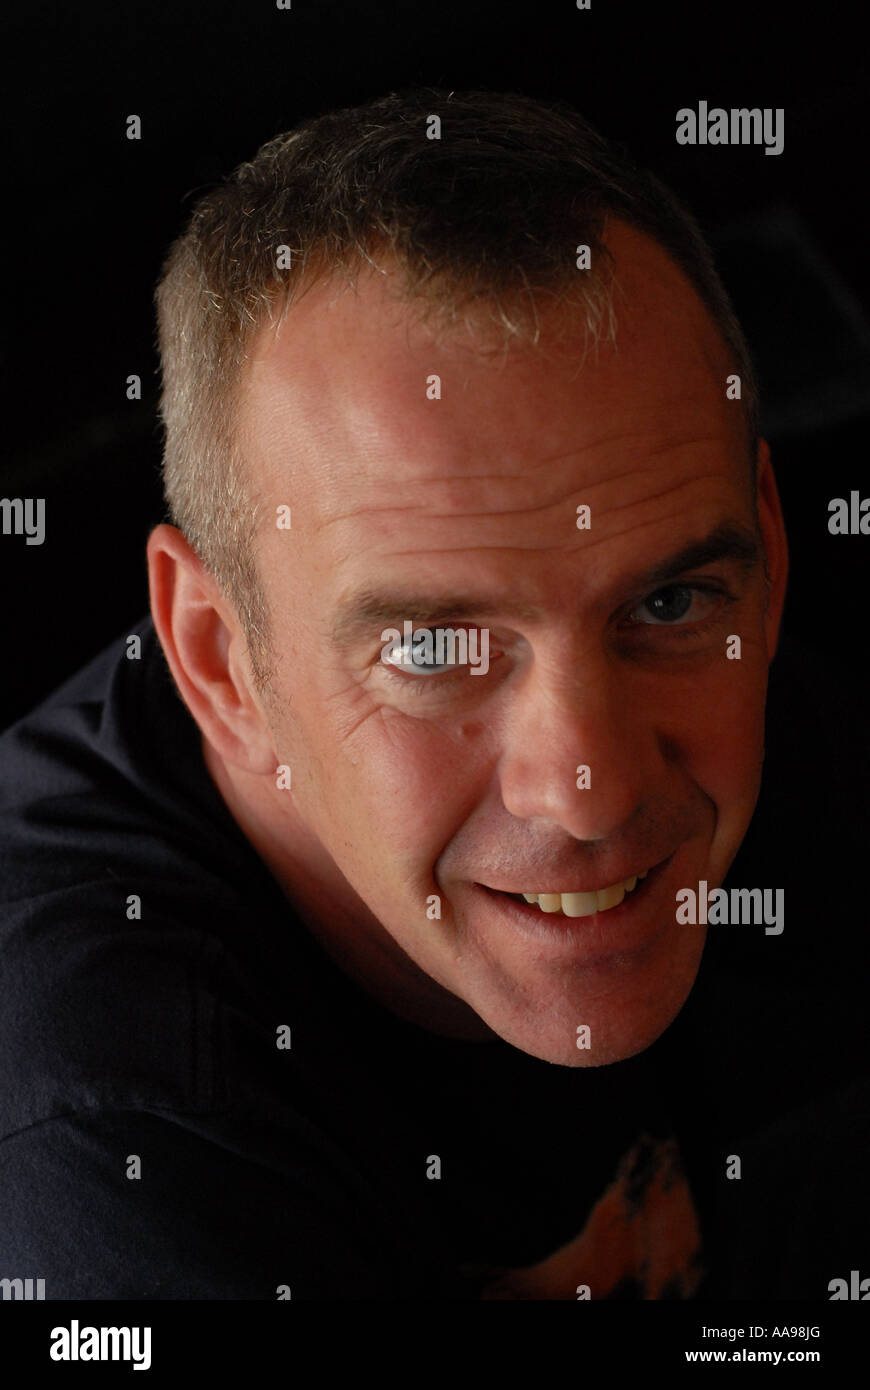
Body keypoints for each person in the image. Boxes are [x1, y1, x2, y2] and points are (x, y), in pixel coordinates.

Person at [0, 89, 866, 1301]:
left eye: (664, 606)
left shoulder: (784, 706)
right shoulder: (111, 1140)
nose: (588, 786)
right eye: (433, 649)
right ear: (220, 659)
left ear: (767, 558)